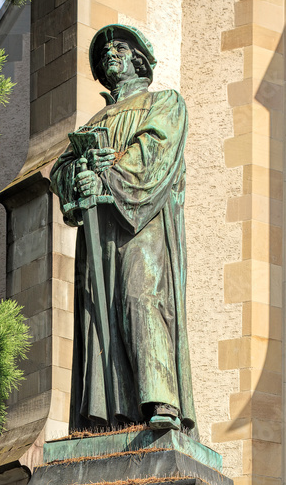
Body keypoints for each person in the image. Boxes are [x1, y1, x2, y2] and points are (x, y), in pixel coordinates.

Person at [50, 24, 197, 435]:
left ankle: (160, 401)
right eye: (105, 52)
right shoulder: (90, 125)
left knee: (140, 297)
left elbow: (154, 152)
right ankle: (107, 416)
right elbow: (60, 171)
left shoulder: (163, 103)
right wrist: (79, 173)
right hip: (99, 233)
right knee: (98, 312)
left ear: (139, 58)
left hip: (143, 224)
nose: (110, 53)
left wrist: (106, 172)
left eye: (119, 47)